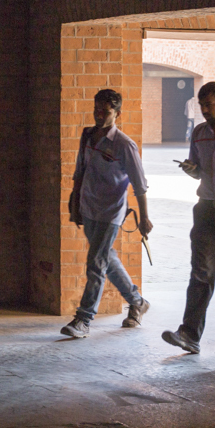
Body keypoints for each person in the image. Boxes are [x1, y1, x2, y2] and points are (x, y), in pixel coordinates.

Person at [62, 88, 153, 338]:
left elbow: (140, 185)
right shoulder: (87, 135)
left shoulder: (124, 145)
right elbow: (80, 169)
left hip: (111, 212)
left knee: (96, 263)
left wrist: (144, 218)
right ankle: (137, 302)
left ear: (118, 114)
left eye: (106, 111)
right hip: (89, 207)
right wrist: (75, 201)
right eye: (97, 110)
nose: (100, 115)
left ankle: (84, 319)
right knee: (106, 259)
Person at [162, 82, 215, 354]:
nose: (205, 110)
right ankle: (189, 334)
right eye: (202, 106)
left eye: (210, 104)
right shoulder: (199, 133)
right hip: (206, 208)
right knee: (201, 273)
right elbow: (197, 171)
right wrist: (190, 170)